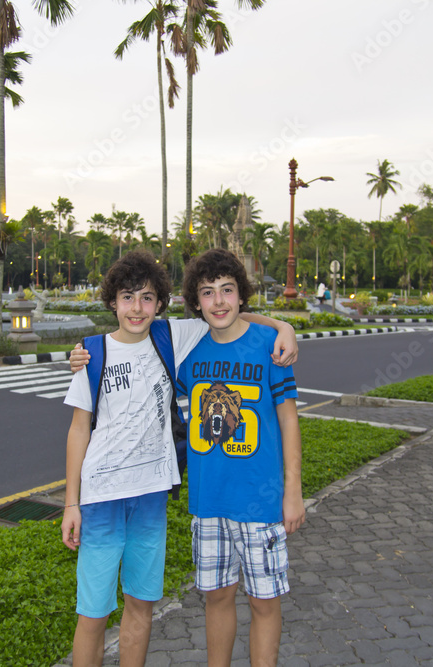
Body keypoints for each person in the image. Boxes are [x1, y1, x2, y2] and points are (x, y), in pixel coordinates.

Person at [60, 250, 297, 667]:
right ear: (112, 302)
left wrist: (283, 324)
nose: (137, 308)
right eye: (127, 298)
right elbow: (81, 425)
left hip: (201, 499)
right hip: (147, 501)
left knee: (153, 604)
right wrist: (70, 502)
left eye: (147, 298)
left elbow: (229, 319)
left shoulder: (216, 344)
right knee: (103, 611)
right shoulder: (127, 351)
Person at [177, 248, 305, 666]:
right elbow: (133, 336)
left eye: (227, 290)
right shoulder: (188, 351)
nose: (218, 302)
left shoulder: (268, 346)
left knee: (264, 601)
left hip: (260, 501)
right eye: (208, 292)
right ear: (196, 302)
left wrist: (293, 491)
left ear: (241, 294)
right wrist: (81, 356)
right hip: (209, 501)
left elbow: (289, 422)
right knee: (217, 597)